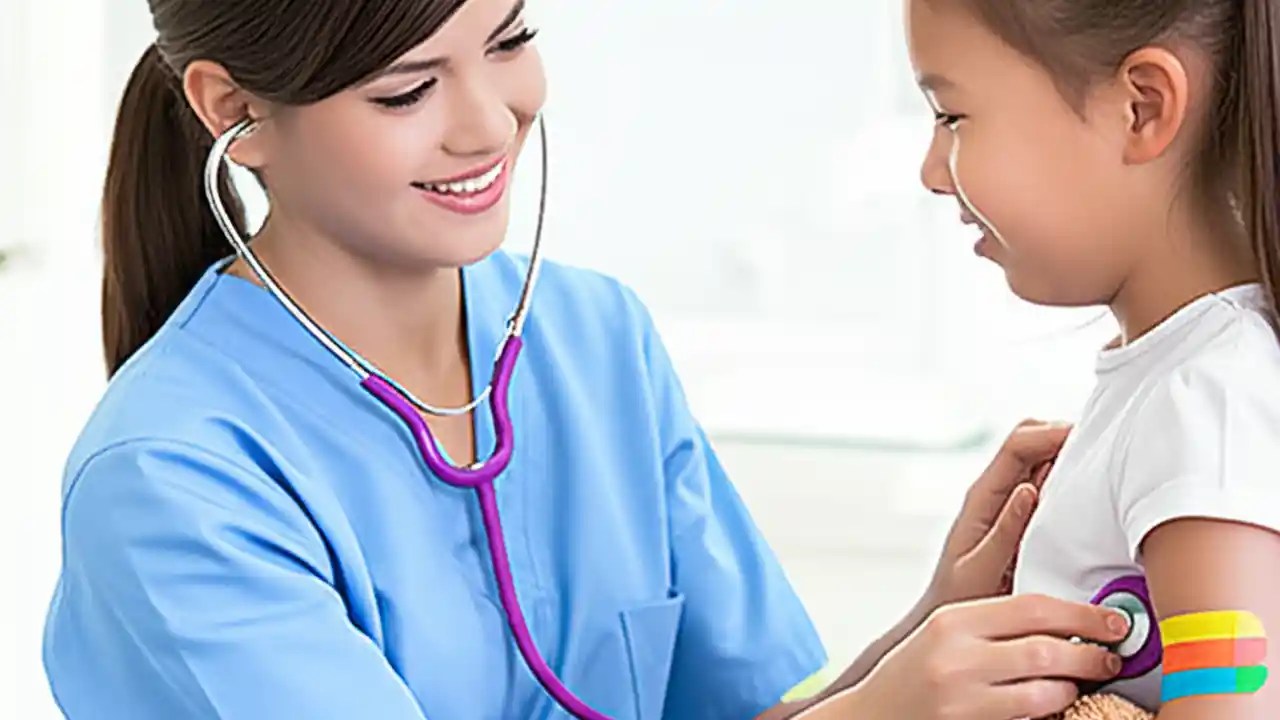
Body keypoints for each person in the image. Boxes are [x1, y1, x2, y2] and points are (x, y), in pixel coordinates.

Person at [41, 1, 1131, 718]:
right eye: (406, 90)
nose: (487, 125)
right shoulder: (171, 478)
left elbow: (752, 712)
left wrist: (926, 630)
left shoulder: (593, 339)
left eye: (509, 42)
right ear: (237, 112)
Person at [906, 0, 1280, 716]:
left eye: (951, 117)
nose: (931, 171)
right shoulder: (1176, 379)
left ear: (1141, 108)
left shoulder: (1212, 396)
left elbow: (1232, 707)